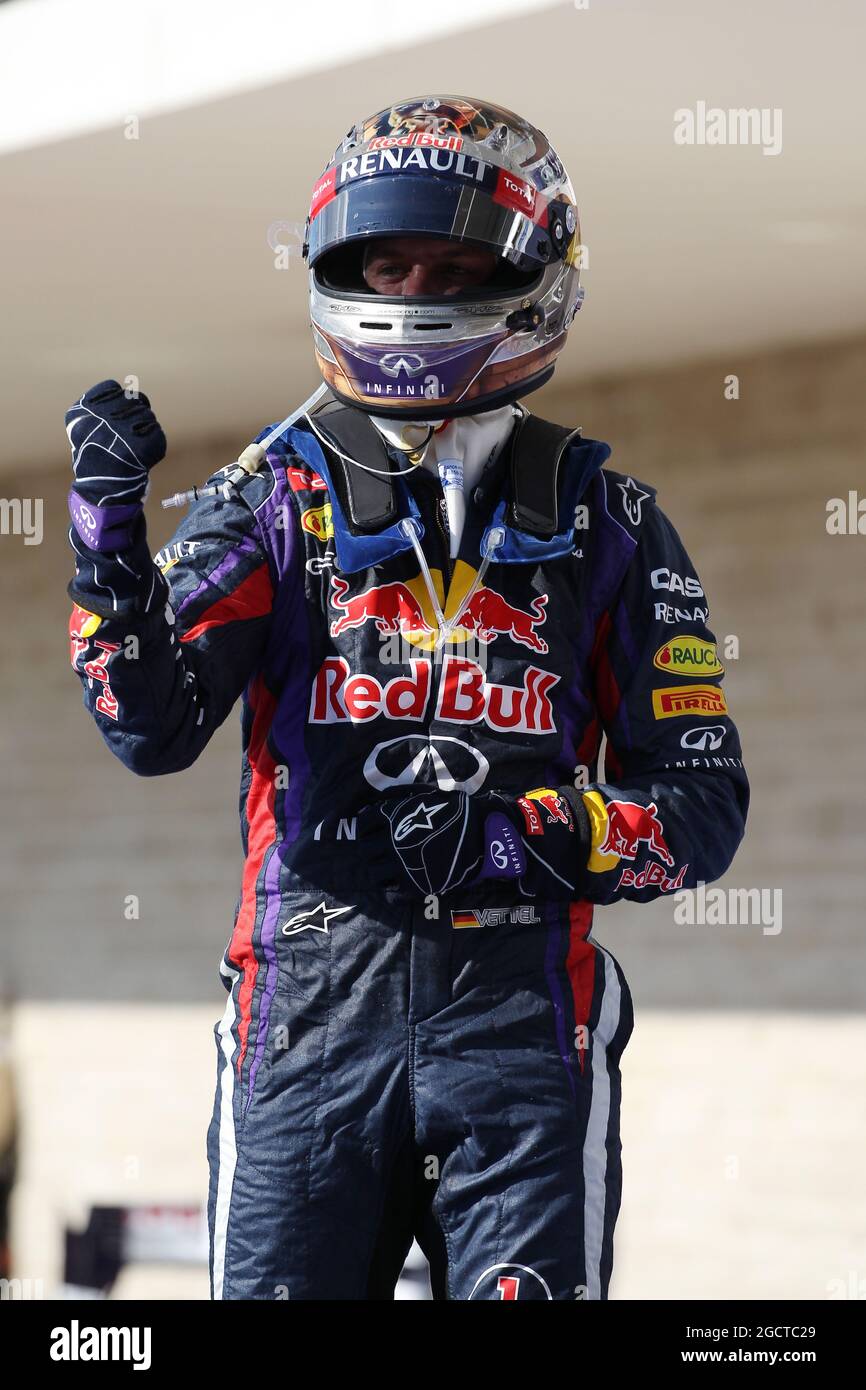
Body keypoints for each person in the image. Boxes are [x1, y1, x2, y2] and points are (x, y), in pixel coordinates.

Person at [65, 94, 749, 1301]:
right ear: (338, 264)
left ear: (531, 272)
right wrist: (107, 546)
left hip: (523, 1028)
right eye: (388, 258)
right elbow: (147, 727)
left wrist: (524, 841)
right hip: (303, 1023)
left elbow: (701, 806)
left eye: (451, 258)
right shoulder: (275, 494)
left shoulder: (610, 516)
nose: (415, 287)